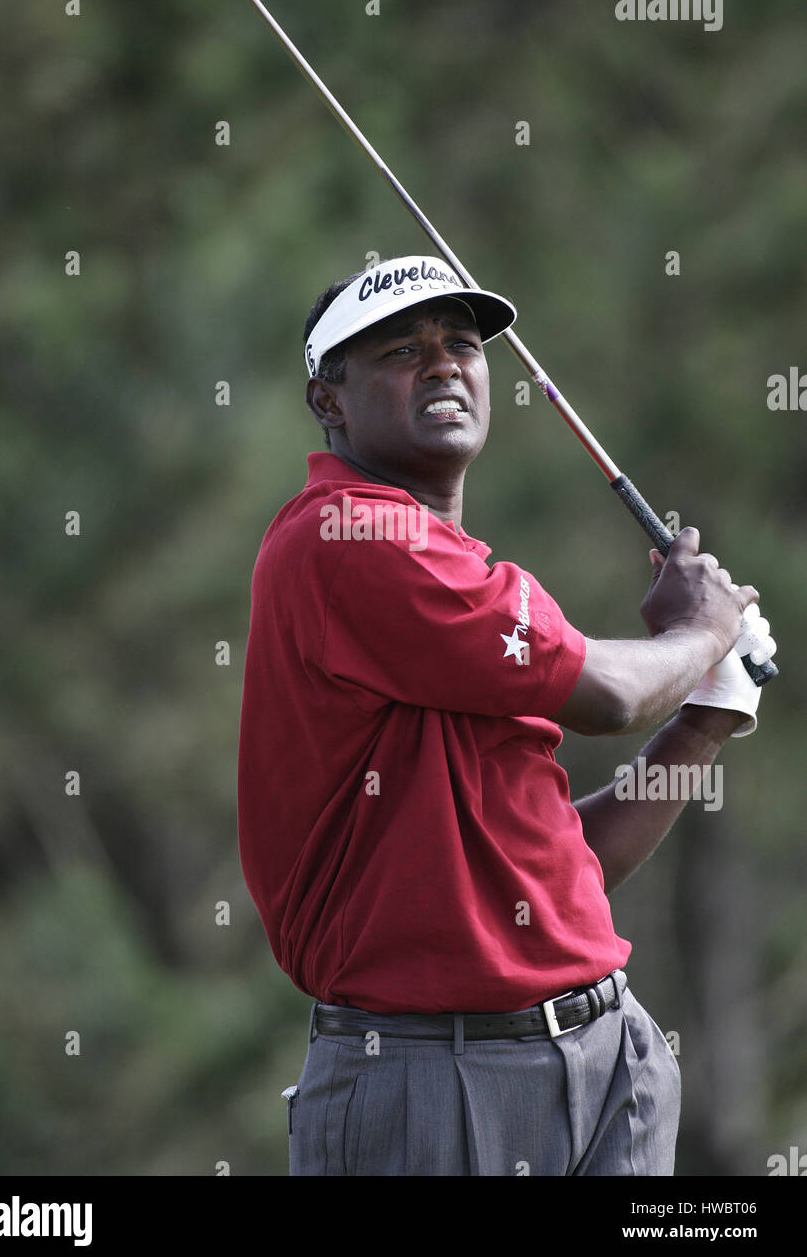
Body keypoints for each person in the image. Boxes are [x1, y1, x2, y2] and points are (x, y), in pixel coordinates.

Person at [236, 254, 773, 1177]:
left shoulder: (454, 583)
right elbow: (606, 694)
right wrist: (703, 631)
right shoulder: (346, 534)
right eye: (402, 350)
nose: (443, 363)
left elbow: (569, 874)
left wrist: (707, 715)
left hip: (611, 1060)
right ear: (330, 401)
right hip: (423, 1078)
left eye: (462, 344)